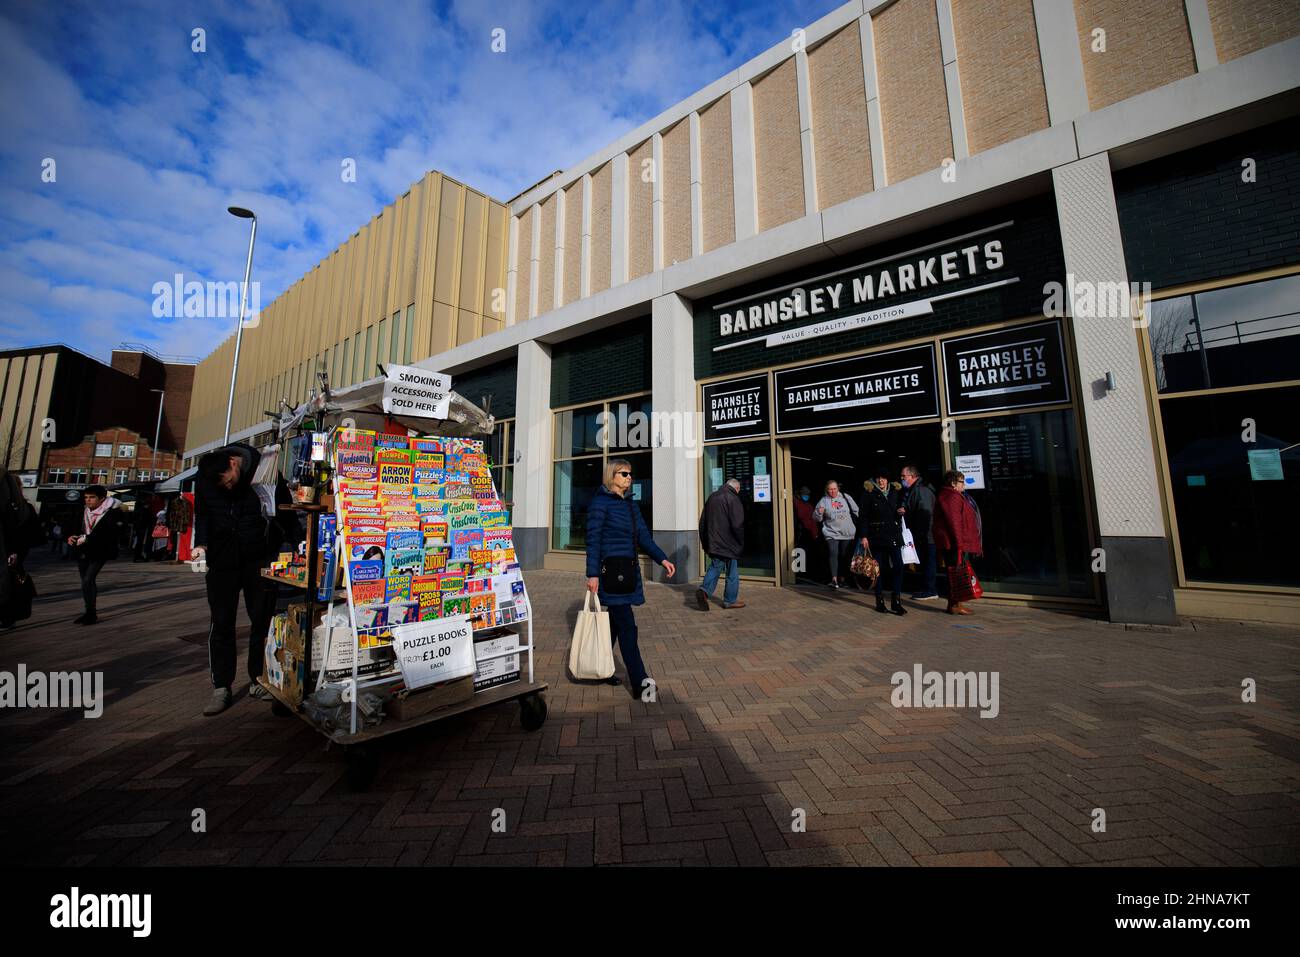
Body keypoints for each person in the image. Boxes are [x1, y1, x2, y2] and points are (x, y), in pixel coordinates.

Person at [193, 443, 298, 716]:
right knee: (222, 622)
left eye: (226, 480)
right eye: (218, 484)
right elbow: (202, 515)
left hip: (258, 557)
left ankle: (258, 679)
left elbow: (285, 511)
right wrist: (201, 544)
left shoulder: (267, 470)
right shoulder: (206, 476)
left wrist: (300, 542)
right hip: (221, 560)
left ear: (234, 464)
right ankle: (221, 686)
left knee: (261, 619)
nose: (224, 486)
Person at [585, 457, 676, 697]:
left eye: (630, 474)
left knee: (615, 624)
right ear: (611, 476)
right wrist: (592, 574)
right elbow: (593, 541)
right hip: (610, 575)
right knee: (628, 627)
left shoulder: (631, 505)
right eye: (623, 473)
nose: (629, 477)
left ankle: (599, 669)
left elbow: (644, 537)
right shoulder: (600, 504)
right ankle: (640, 683)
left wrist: (662, 559)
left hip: (628, 573)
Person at [65, 485, 123, 625]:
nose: (88, 500)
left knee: (88, 579)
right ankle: (90, 612)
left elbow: (113, 533)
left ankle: (91, 614)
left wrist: (89, 538)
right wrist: (70, 536)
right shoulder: (82, 510)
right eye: (86, 497)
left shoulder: (113, 512)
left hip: (100, 550)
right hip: (82, 549)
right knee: (86, 581)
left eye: (92, 497)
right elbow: (71, 525)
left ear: (102, 499)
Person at [934, 469, 983, 616]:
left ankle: (956, 603)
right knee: (955, 573)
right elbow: (954, 522)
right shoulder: (951, 497)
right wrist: (959, 544)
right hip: (953, 543)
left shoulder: (953, 495)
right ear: (953, 483)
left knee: (955, 572)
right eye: (962, 482)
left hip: (954, 542)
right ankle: (954, 604)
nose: (964, 485)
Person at [858, 470, 906, 615]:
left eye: (884, 478)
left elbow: (898, 511)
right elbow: (863, 516)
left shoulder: (895, 492)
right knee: (877, 569)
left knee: (899, 565)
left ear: (888, 480)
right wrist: (864, 536)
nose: (881, 481)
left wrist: (901, 512)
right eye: (878, 478)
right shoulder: (869, 493)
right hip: (876, 535)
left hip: (893, 534)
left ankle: (896, 601)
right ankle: (879, 601)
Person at [0, 469, 42, 627]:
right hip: (13, 551)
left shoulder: (21, 508)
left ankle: (8, 617)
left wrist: (15, 552)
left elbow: (26, 534)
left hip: (12, 552)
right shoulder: (19, 507)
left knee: (8, 583)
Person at [696, 477, 745, 611]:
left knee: (715, 567)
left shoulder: (712, 497)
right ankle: (729, 600)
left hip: (715, 543)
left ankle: (704, 590)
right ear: (736, 488)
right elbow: (737, 524)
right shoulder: (733, 498)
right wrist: (741, 542)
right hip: (730, 544)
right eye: (739, 489)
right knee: (732, 572)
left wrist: (705, 543)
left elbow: (702, 523)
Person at [900, 463, 938, 600]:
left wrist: (920, 533)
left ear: (912, 476)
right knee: (925, 561)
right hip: (923, 533)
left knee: (928, 561)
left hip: (926, 534)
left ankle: (930, 589)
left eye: (904, 476)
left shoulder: (921, 490)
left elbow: (925, 513)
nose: (902, 479)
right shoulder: (915, 489)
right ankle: (927, 588)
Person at [813, 479, 857, 589]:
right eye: (830, 489)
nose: (832, 491)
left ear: (838, 488)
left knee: (844, 555)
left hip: (847, 532)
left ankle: (842, 578)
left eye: (834, 489)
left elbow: (856, 510)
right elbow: (816, 518)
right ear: (826, 490)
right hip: (831, 532)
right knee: (833, 552)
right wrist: (819, 513)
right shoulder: (823, 501)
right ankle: (834, 579)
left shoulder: (846, 497)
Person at [792, 485, 820, 581]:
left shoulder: (808, 505)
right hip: (801, 532)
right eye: (804, 494)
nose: (806, 496)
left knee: (804, 553)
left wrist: (815, 533)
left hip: (807, 533)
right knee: (800, 553)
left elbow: (812, 521)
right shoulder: (796, 503)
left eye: (807, 495)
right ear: (800, 494)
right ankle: (798, 573)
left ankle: (801, 573)